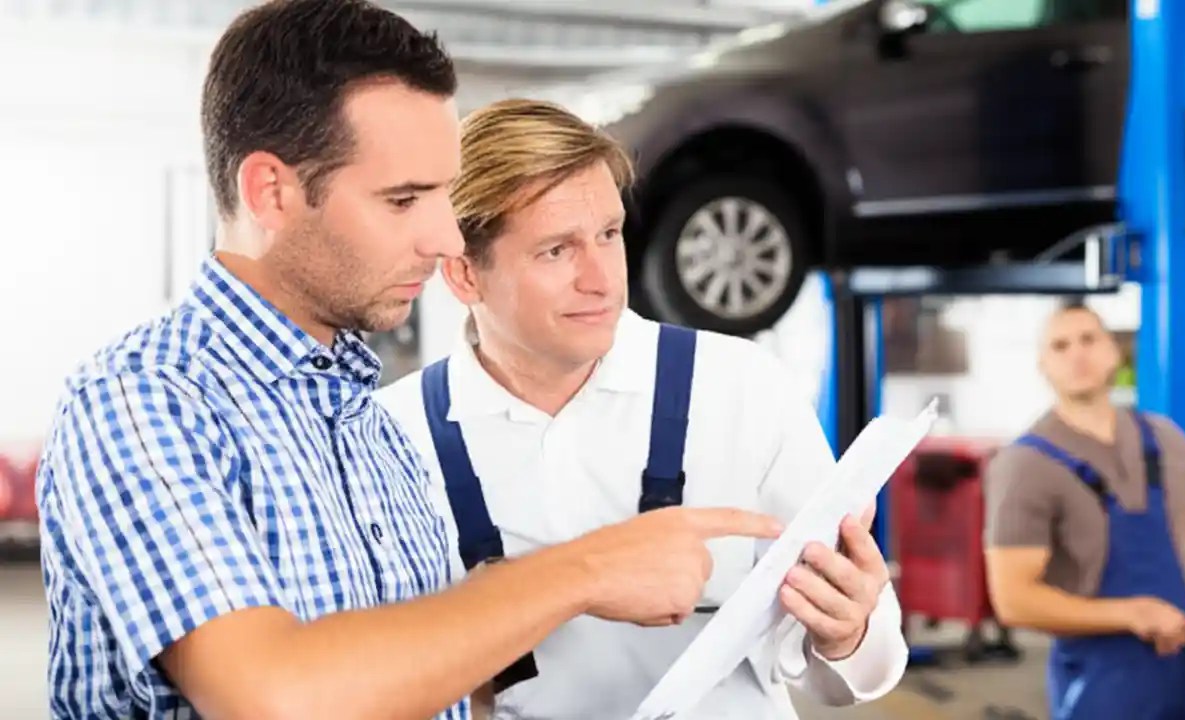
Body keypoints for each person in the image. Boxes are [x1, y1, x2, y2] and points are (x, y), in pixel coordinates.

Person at [33, 2, 784, 718]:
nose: (446, 240)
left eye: (444, 197)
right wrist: (586, 570)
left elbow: (429, 690)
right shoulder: (145, 402)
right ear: (271, 190)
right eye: (403, 200)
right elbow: (276, 698)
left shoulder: (368, 424)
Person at [375, 98, 909, 720]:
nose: (601, 277)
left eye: (608, 234)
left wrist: (847, 632)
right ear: (464, 275)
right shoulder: (392, 437)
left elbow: (856, 673)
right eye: (556, 250)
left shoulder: (742, 389)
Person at [983, 303, 1185, 720]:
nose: (1077, 354)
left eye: (1089, 339)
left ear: (1114, 351)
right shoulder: (1024, 465)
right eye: (1060, 345)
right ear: (1043, 365)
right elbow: (1013, 599)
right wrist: (1130, 613)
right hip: (1100, 680)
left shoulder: (1165, 438)